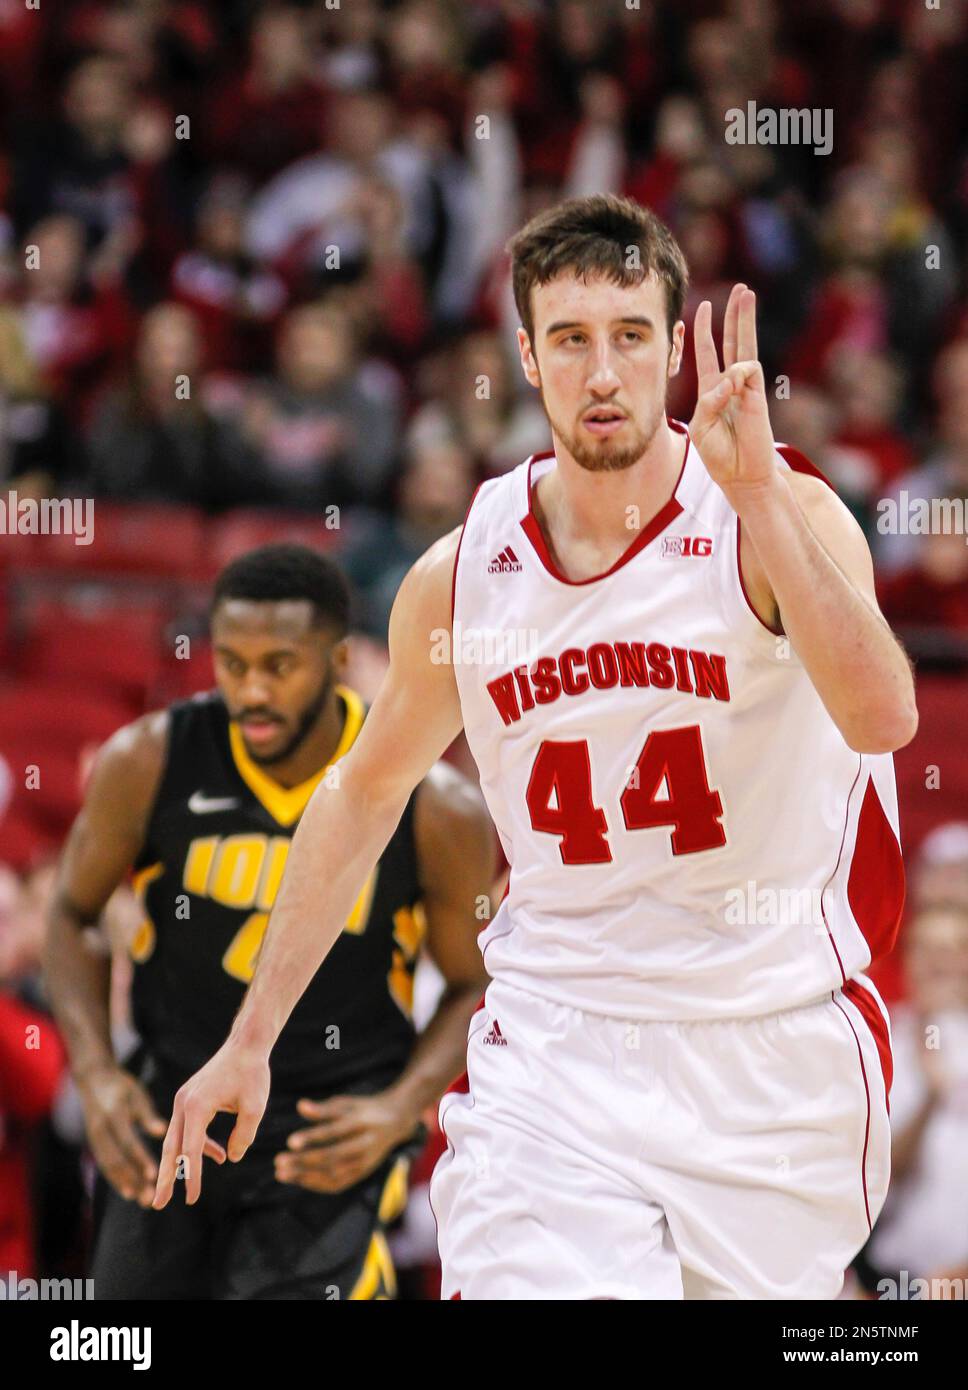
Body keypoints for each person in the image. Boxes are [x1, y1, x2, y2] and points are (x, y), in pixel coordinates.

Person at [152, 195, 919, 1300]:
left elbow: (882, 716)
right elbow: (361, 796)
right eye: (568, 339)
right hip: (556, 1051)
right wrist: (250, 1034)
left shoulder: (778, 512)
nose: (600, 372)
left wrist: (757, 503)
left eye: (628, 337)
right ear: (524, 354)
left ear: (668, 348)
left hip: (771, 1049)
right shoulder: (461, 575)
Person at [46, 543, 493, 1299]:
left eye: (279, 666)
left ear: (339, 661)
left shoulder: (434, 806)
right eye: (232, 663)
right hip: (173, 1112)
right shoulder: (149, 761)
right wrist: (95, 1076)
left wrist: (396, 1109)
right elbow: (71, 915)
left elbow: (470, 986)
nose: (251, 690)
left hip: (323, 1132)